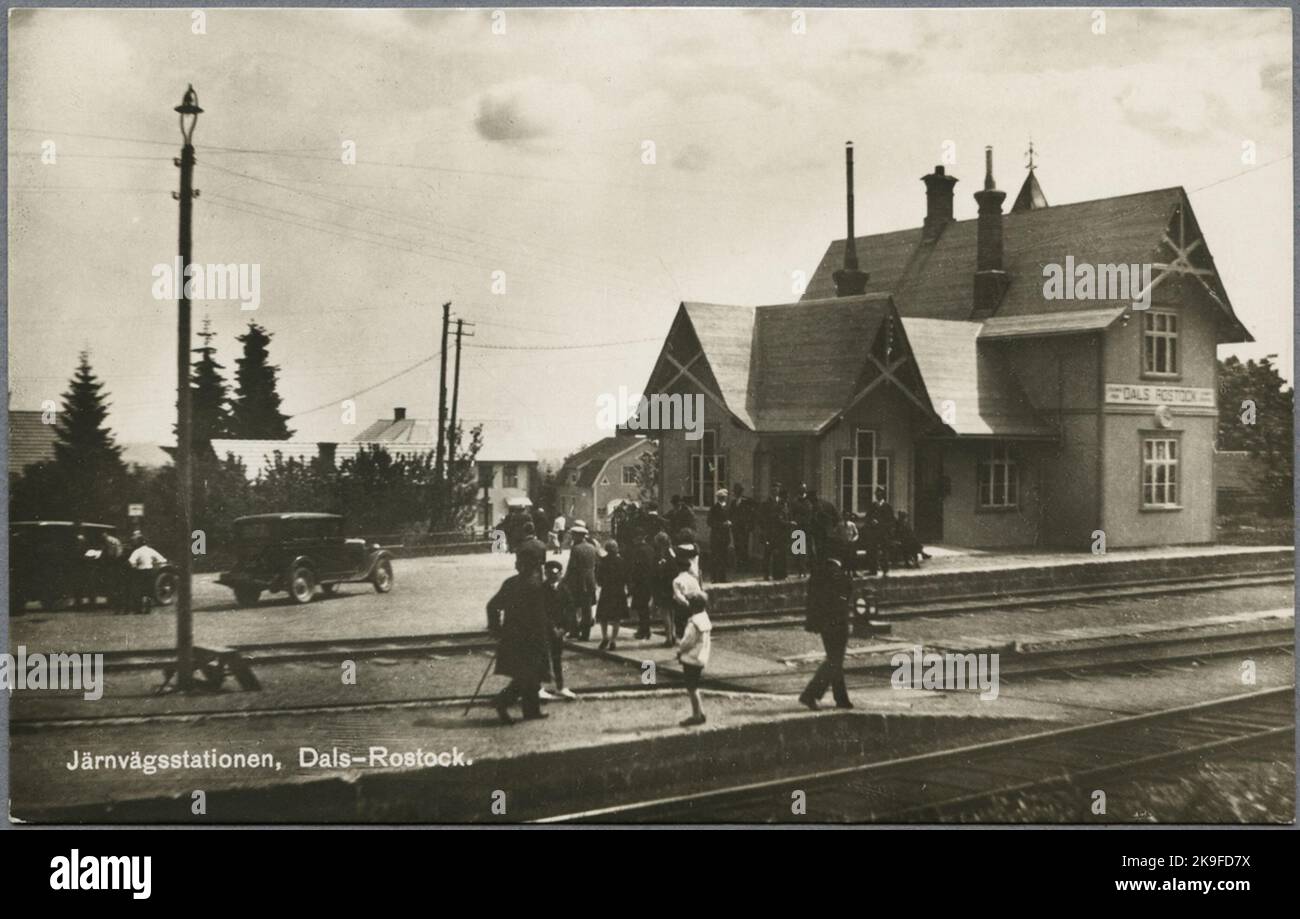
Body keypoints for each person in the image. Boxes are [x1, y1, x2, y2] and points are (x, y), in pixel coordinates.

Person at [485, 543, 553, 724]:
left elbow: (492, 606)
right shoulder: (536, 586)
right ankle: (501, 702)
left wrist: (496, 628)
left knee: (531, 675)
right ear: (534, 566)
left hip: (513, 638)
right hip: (532, 639)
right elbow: (542, 615)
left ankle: (531, 711)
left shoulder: (511, 583)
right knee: (528, 676)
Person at [799, 544, 854, 711]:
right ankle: (810, 694)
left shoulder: (817, 575)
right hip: (838, 625)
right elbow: (845, 600)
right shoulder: (841, 576)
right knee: (835, 661)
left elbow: (811, 602)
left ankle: (841, 699)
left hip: (823, 625)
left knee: (834, 660)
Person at [540, 560, 577, 700]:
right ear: (545, 574)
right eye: (549, 574)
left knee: (557, 659)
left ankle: (560, 687)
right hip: (544, 629)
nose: (552, 577)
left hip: (559, 631)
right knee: (542, 659)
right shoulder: (541, 589)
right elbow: (542, 611)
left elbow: (570, 610)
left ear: (560, 574)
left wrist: (564, 629)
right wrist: (552, 627)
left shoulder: (565, 589)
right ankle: (540, 688)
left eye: (555, 574)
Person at [676, 591, 712, 727]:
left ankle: (696, 715)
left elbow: (687, 641)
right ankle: (701, 712)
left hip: (691, 657)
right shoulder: (704, 618)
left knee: (691, 687)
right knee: (694, 685)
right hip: (701, 656)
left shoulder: (693, 623)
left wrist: (679, 651)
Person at [564, 523, 598, 640]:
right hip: (590, 580)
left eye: (573, 535)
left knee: (572, 606)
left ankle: (574, 631)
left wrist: (565, 580)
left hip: (578, 581)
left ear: (578, 536)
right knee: (587, 608)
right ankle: (585, 634)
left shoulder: (576, 549)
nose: (572, 537)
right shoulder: (592, 547)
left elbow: (571, 567)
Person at [595, 539, 628, 650]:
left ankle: (605, 637)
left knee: (603, 617)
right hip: (618, 591)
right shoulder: (622, 561)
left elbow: (599, 579)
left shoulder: (603, 561)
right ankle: (613, 640)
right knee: (616, 618)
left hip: (606, 591)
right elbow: (626, 577)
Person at [127, 533, 168, 615]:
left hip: (140, 572)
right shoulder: (150, 550)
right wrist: (154, 563)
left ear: (138, 543)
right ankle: (148, 609)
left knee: (138, 590)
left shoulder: (137, 551)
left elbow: (131, 561)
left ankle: (138, 610)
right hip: (150, 572)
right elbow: (162, 559)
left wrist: (135, 566)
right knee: (149, 590)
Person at [628, 530, 656, 640]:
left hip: (640, 583)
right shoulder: (650, 549)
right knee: (645, 607)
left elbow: (636, 568)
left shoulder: (639, 551)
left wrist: (632, 582)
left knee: (641, 608)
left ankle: (643, 630)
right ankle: (645, 629)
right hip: (649, 582)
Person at [651, 531, 679, 646]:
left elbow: (660, 570)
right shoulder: (672, 551)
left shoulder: (662, 554)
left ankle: (668, 637)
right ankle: (673, 635)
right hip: (672, 585)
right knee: (672, 612)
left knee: (665, 612)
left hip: (663, 585)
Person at [761, 485, 791, 581]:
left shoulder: (782, 502)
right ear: (771, 491)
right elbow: (763, 517)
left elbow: (785, 515)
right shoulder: (766, 503)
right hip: (769, 531)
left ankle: (778, 574)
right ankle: (766, 574)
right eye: (773, 490)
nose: (775, 492)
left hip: (779, 532)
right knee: (767, 554)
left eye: (777, 490)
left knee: (779, 554)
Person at [671, 552, 702, 642]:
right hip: (693, 601)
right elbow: (698, 591)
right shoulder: (693, 579)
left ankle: (682, 640)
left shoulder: (677, 580)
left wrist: (684, 602)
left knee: (680, 622)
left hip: (682, 604)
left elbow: (678, 594)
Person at [706, 489, 732, 583]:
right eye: (721, 497)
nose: (723, 498)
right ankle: (714, 578)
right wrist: (722, 524)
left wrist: (729, 523)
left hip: (725, 537)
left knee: (723, 558)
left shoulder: (727, 508)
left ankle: (722, 578)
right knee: (715, 558)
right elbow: (709, 522)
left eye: (724, 497)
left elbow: (730, 518)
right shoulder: (714, 508)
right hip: (716, 537)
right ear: (718, 498)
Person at [867, 487, 894, 577]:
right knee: (872, 550)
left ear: (883, 494)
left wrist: (881, 524)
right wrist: (871, 521)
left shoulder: (887, 506)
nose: (877, 495)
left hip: (883, 533)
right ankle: (873, 569)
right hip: (874, 532)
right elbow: (868, 517)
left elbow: (890, 521)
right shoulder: (872, 506)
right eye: (876, 493)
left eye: (879, 493)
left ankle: (885, 570)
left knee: (884, 551)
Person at [731, 483, 755, 574]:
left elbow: (752, 514)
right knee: (737, 547)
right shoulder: (733, 502)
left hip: (744, 529)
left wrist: (750, 526)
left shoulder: (747, 501)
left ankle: (745, 567)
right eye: (735, 491)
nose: (736, 493)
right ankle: (739, 567)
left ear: (741, 492)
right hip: (736, 529)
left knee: (744, 547)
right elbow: (731, 514)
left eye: (738, 491)